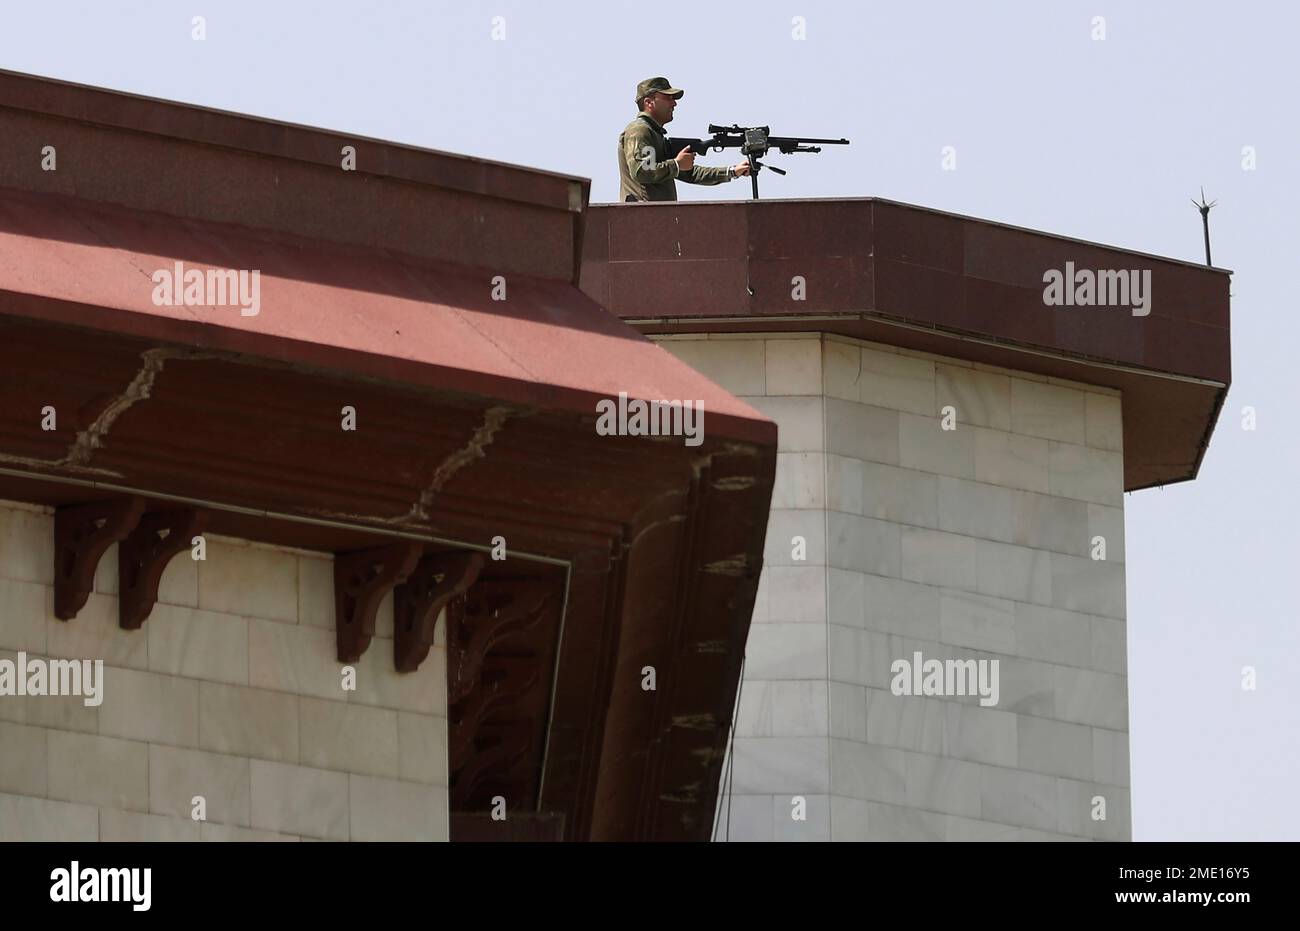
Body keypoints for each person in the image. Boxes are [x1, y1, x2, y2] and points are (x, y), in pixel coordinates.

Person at [618, 77, 751, 202]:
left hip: (655, 217)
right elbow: (641, 171)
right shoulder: (639, 131)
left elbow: (689, 173)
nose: (674, 103)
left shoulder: (654, 134)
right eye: (667, 98)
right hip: (642, 218)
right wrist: (676, 164)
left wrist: (732, 171)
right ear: (648, 102)